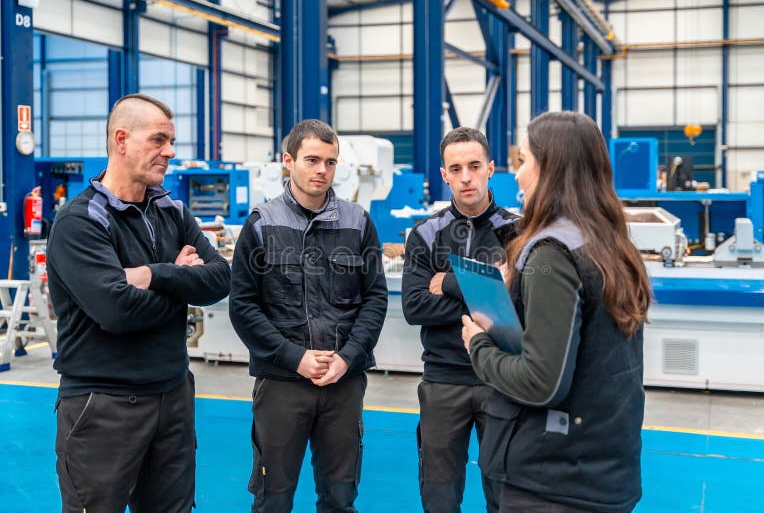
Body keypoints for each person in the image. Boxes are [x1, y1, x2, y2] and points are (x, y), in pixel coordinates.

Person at [47, 93, 231, 512]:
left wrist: (154, 274)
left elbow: (220, 279)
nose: (170, 151)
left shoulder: (172, 210)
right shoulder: (80, 221)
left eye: (172, 141)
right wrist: (182, 283)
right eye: (159, 140)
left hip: (172, 398)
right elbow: (116, 311)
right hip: (104, 405)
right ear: (122, 140)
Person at [462, 111, 651, 513]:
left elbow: (542, 384)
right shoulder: (610, 243)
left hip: (551, 481)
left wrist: (479, 345)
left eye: (524, 160)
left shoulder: (553, 252)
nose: (518, 175)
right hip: (603, 468)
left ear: (551, 168)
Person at [229, 119, 388, 513]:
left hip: (343, 383)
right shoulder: (261, 224)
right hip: (282, 382)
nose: (322, 170)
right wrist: (294, 357)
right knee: (273, 496)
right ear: (288, 161)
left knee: (339, 496)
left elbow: (375, 299)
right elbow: (244, 307)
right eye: (313, 160)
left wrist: (348, 357)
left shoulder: (358, 222)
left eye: (330, 162)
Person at [402, 127, 518, 513]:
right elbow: (414, 307)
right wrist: (489, 293)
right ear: (444, 175)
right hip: (442, 381)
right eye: (456, 168)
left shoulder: (518, 232)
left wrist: (448, 282)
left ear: (490, 169)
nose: (466, 176)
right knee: (438, 491)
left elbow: (521, 306)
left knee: (505, 489)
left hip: (502, 378)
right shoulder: (425, 233)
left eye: (474, 166)